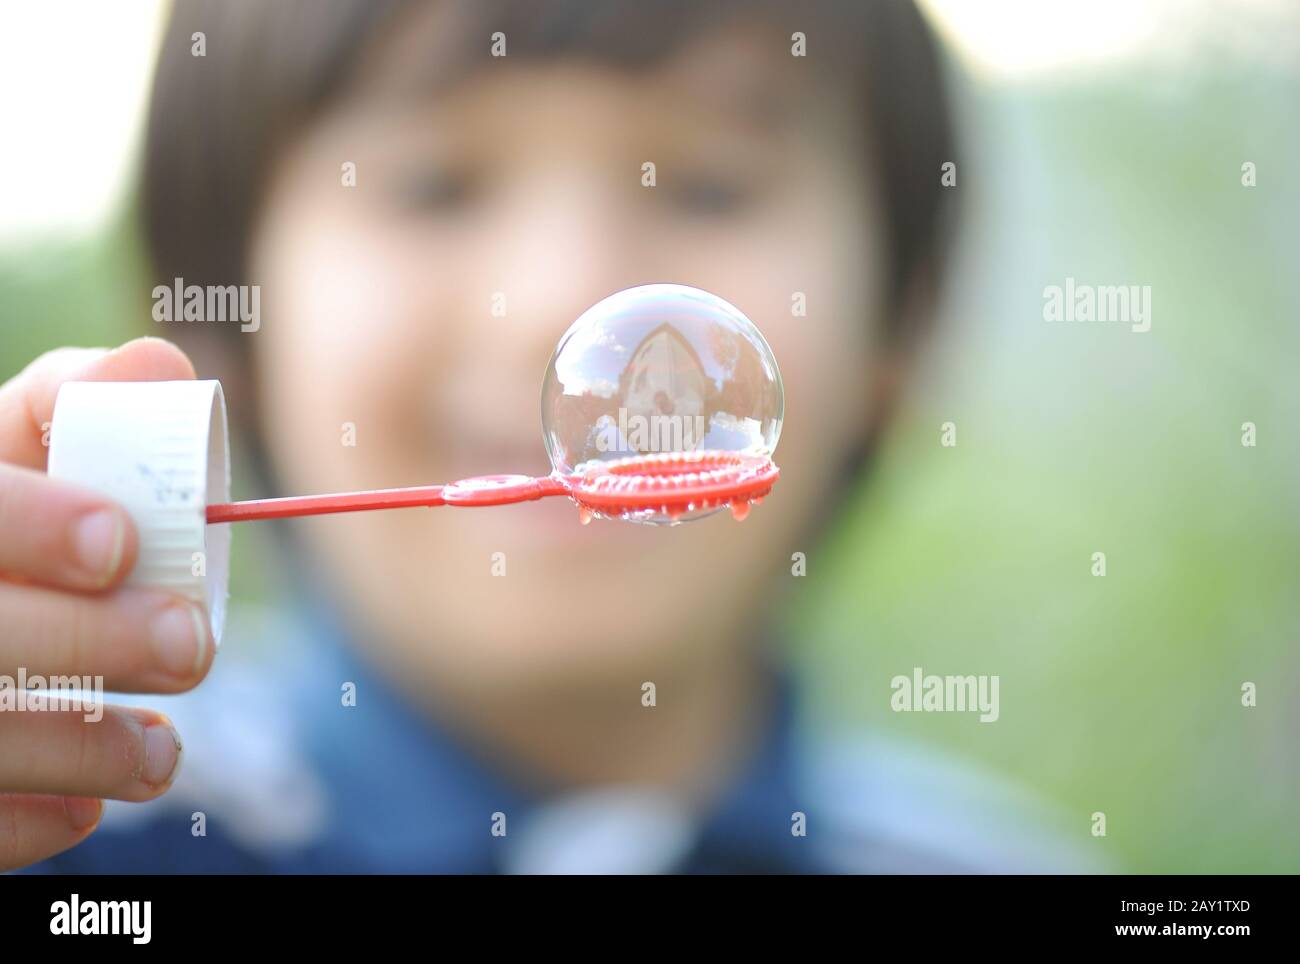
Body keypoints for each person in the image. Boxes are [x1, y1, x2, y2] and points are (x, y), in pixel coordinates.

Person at [4, 0, 1089, 873]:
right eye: (435, 188)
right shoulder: (70, 824)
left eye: (709, 188)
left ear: (898, 326)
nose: (559, 296)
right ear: (229, 314)